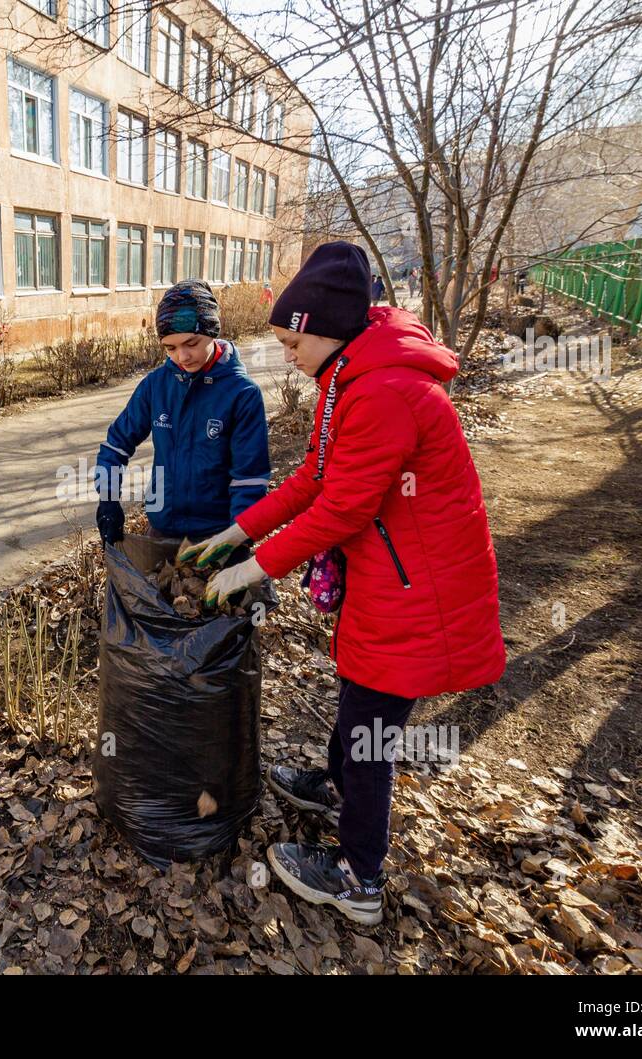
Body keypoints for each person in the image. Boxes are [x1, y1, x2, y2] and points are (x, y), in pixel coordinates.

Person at [186, 242, 505, 925]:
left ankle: (360, 878)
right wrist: (240, 531)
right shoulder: (353, 376)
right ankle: (334, 785)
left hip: (420, 594)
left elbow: (344, 507)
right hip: (393, 580)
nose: (285, 355)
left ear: (324, 325)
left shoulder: (385, 390)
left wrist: (254, 567)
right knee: (359, 704)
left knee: (371, 734)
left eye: (290, 340)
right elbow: (315, 480)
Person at [95, 279, 270, 546]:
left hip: (219, 534)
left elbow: (249, 477)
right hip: (163, 528)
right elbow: (116, 445)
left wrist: (239, 537)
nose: (183, 356)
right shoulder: (157, 386)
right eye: (171, 348)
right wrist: (108, 499)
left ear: (212, 331)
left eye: (192, 343)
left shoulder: (242, 394)